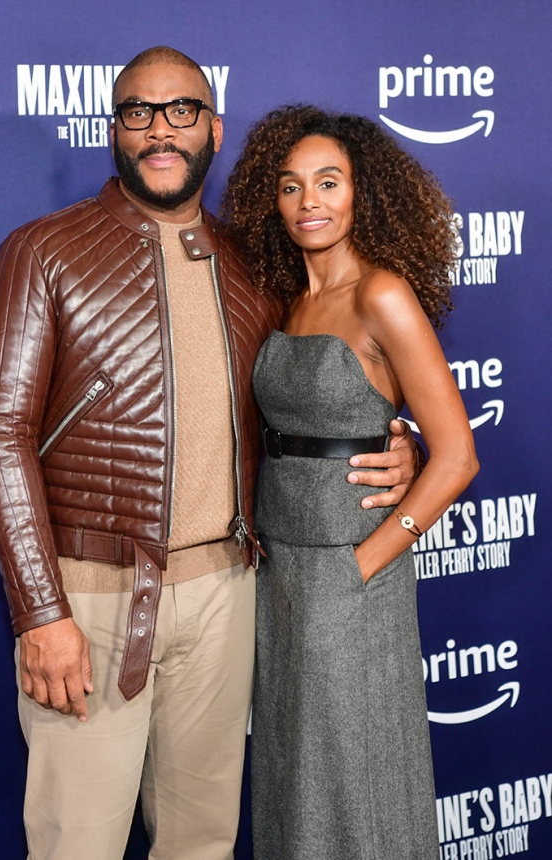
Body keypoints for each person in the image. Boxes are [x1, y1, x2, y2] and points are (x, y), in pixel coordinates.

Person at [0, 50, 420, 860]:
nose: (161, 130)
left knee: (204, 843)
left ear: (213, 129)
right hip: (95, 601)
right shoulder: (42, 251)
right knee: (79, 846)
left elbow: (315, 388)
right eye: (139, 112)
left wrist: (397, 442)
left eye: (181, 111)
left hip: (227, 595)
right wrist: (41, 610)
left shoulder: (258, 264)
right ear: (115, 133)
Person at [223, 105, 479, 860]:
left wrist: (366, 562)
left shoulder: (382, 295)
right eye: (291, 186)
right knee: (288, 775)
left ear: (361, 191)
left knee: (353, 777)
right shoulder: (288, 303)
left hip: (351, 574)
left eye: (328, 183)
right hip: (279, 576)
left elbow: (458, 455)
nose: (310, 203)